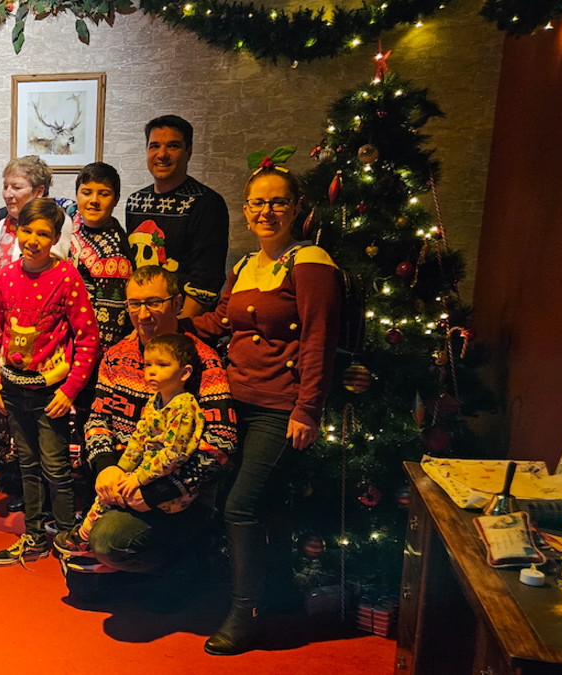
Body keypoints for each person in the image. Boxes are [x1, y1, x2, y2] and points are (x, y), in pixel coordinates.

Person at [187, 165, 341, 655]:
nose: (266, 212)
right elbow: (218, 322)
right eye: (257, 203)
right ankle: (276, 593)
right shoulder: (246, 265)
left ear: (296, 207)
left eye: (277, 202)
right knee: (254, 503)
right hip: (234, 403)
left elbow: (319, 339)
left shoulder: (310, 261)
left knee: (242, 505)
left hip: (280, 408)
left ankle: (246, 613)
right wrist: (170, 322)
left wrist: (307, 409)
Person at [81, 265, 237, 575]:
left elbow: (222, 443)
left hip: (179, 496)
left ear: (177, 304)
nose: (143, 313)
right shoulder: (116, 356)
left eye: (154, 302)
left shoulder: (201, 361)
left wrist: (157, 491)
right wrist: (107, 466)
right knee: (94, 551)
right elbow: (97, 418)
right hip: (127, 479)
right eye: (135, 304)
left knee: (109, 541)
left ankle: (182, 562)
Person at [0, 198, 100, 566]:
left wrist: (69, 390)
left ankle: (65, 536)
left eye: (43, 234)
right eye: (27, 231)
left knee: (56, 466)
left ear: (55, 237)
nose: (33, 239)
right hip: (13, 389)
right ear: (17, 231)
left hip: (51, 392)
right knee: (27, 465)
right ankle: (33, 535)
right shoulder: (5, 277)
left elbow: (88, 337)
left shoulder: (66, 277)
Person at [125, 115, 230, 317]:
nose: (162, 154)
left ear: (189, 151)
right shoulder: (135, 201)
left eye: (173, 146)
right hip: (141, 317)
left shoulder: (207, 203)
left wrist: (178, 329)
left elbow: (206, 278)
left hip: (180, 322)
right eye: (154, 146)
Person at [70, 162, 133, 353]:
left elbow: (108, 329)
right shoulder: (76, 219)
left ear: (116, 199)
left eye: (104, 194)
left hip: (85, 352)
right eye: (87, 192)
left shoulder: (115, 255)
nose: (93, 200)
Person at [0, 155, 74, 276]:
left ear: (39, 191)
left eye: (17, 187)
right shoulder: (3, 223)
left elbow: (49, 271)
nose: (8, 194)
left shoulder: (58, 222)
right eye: (5, 187)